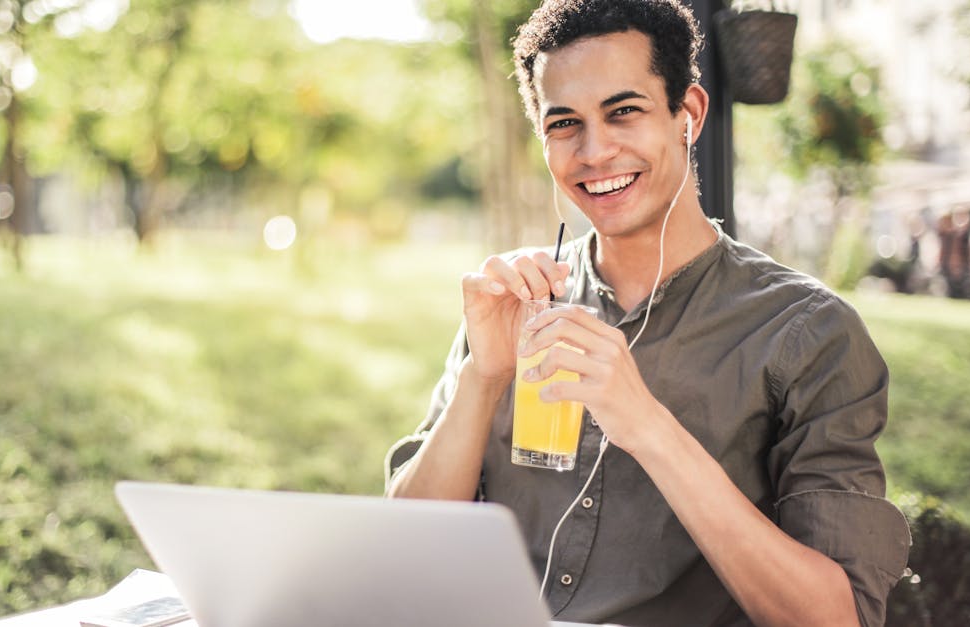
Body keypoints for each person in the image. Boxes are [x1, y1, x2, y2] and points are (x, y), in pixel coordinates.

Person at [384, 1, 910, 626]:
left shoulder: (807, 334)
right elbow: (400, 553)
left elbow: (837, 618)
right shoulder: (515, 306)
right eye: (564, 124)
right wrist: (483, 379)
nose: (594, 151)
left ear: (687, 115)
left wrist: (645, 423)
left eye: (623, 112)